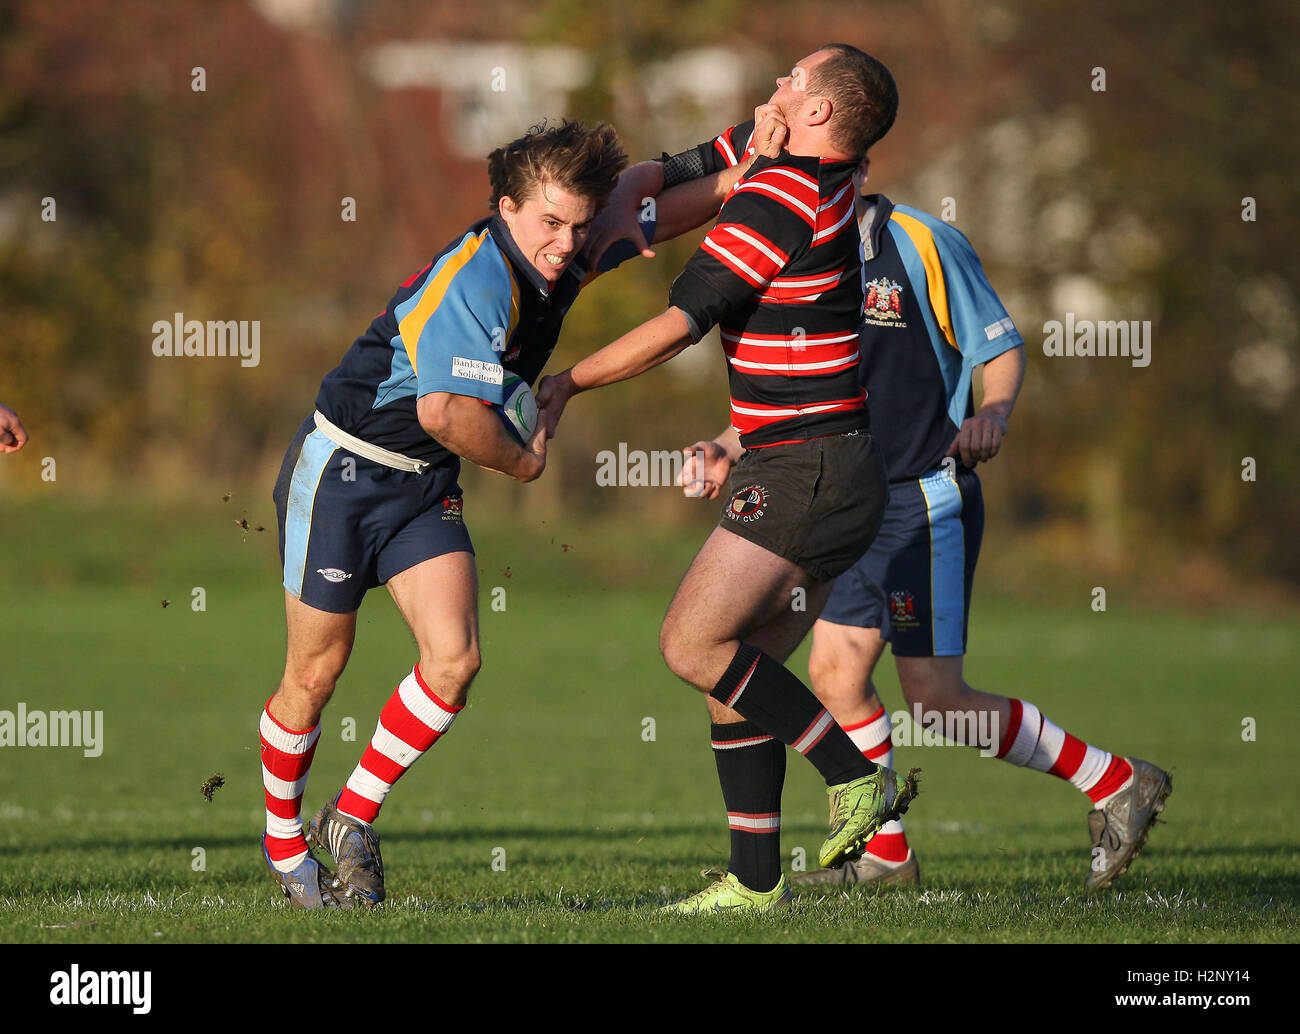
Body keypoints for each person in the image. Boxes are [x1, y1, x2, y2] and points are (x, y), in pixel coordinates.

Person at [677, 165, 1172, 892]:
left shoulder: (922, 242)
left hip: (922, 495)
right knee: (836, 674)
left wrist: (992, 414)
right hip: (843, 499)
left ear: (861, 167)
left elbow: (998, 345)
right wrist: (727, 442)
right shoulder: (786, 250)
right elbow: (798, 391)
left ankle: (1115, 780)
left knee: (936, 701)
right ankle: (887, 858)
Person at [539, 44, 918, 915]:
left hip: (808, 472)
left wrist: (567, 382)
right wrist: (656, 189)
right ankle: (755, 885)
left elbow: (679, 323)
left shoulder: (780, 195)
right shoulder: (825, 165)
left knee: (692, 646)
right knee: (735, 681)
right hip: (826, 465)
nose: (776, 87)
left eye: (793, 79)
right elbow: (665, 179)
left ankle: (856, 777)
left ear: (820, 111)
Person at [261, 120, 628, 909]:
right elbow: (446, 415)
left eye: (580, 225)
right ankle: (284, 844)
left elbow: (660, 194)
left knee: (454, 661)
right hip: (344, 473)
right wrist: (526, 461)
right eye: (550, 223)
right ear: (506, 206)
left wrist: (746, 163)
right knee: (316, 674)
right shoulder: (479, 278)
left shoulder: (563, 250)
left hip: (423, 485)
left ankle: (349, 818)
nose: (567, 244)